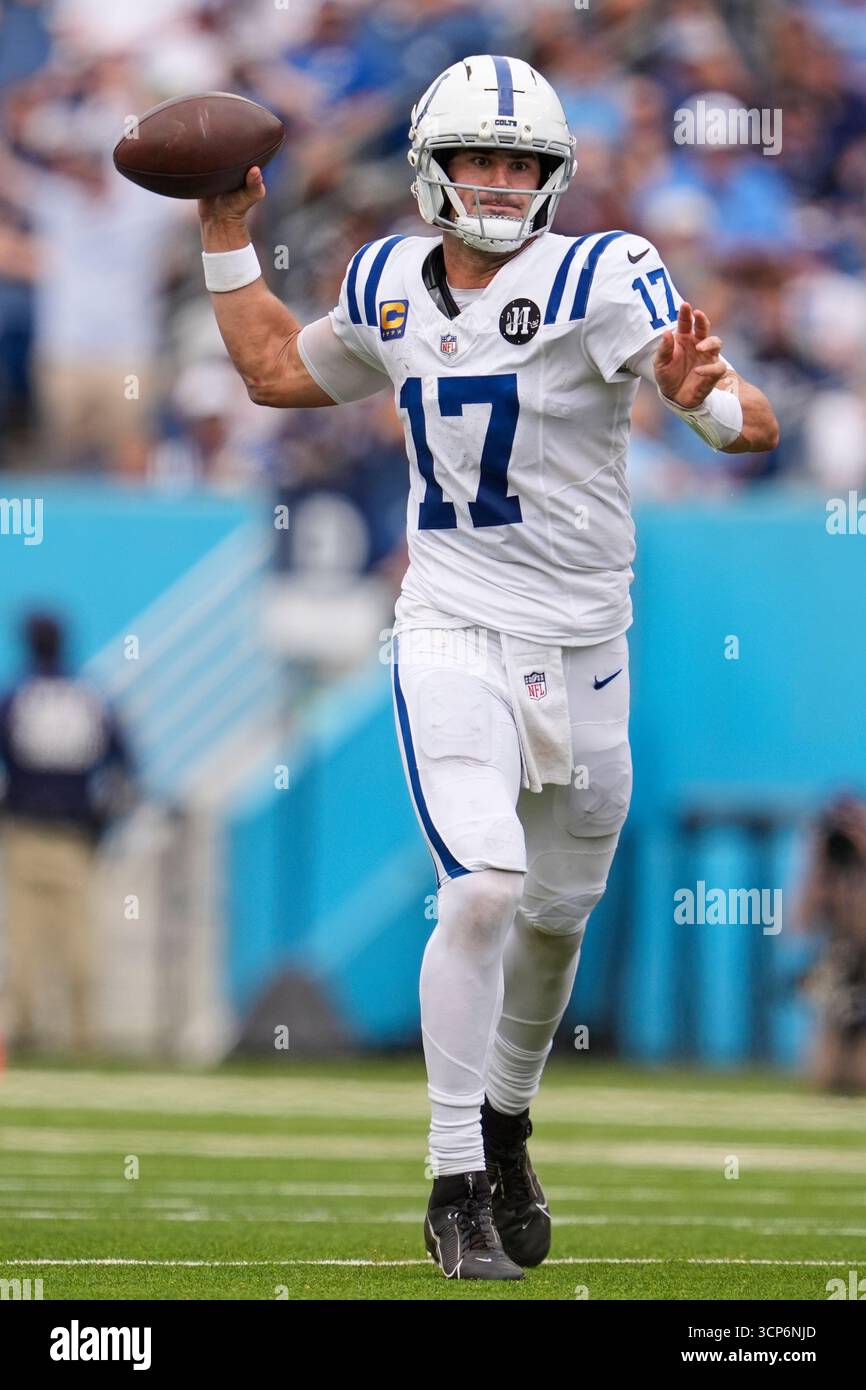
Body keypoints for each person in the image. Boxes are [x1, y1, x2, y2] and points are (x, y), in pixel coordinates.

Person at [197, 54, 779, 1281]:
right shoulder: (382, 281)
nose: (503, 182)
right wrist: (225, 229)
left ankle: (507, 1121)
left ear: (552, 175)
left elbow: (748, 419)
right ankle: (454, 1169)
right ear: (431, 169)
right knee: (479, 890)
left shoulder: (602, 274)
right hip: (453, 624)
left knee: (554, 925)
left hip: (585, 646)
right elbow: (270, 370)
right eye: (481, 160)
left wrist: (700, 401)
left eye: (521, 163)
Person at [0, 612, 134, 1054]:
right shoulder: (90, 698)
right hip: (75, 837)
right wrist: (103, 823)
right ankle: (83, 1039)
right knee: (80, 947)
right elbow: (127, 772)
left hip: (24, 833)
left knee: (23, 943)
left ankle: (25, 1032)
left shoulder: (17, 697)